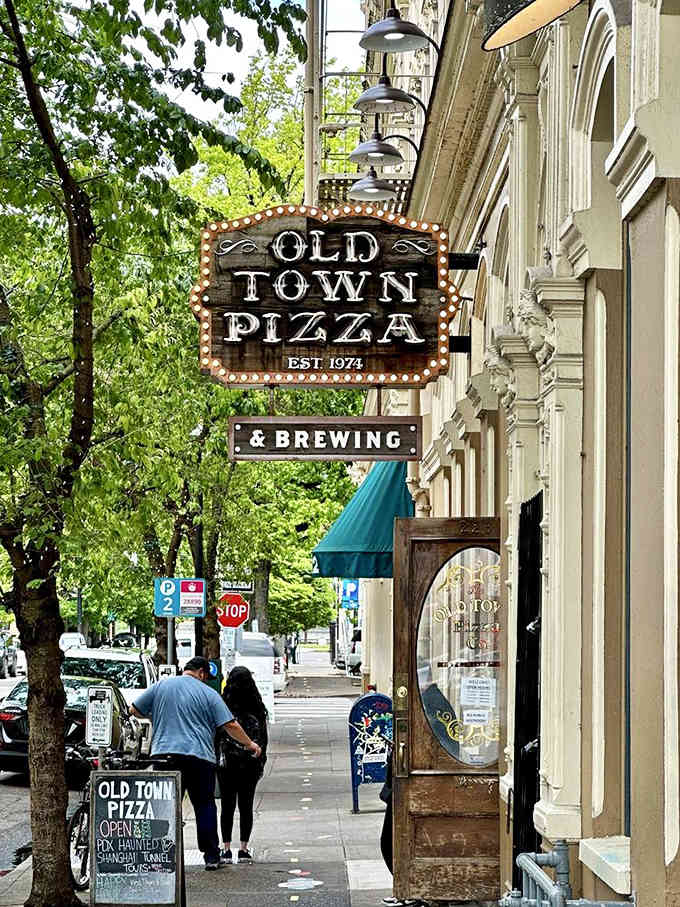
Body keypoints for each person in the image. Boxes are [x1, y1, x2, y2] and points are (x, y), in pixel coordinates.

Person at [131, 656, 261, 871]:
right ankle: (211, 856)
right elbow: (230, 724)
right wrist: (250, 744)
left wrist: (158, 716)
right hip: (199, 757)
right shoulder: (208, 693)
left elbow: (134, 709)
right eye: (205, 676)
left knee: (164, 805)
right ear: (201, 672)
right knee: (204, 805)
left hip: (164, 755)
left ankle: (160, 853)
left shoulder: (161, 686)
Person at [216, 665, 268, 864]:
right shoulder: (256, 706)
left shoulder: (224, 704)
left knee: (227, 806)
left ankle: (226, 848)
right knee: (246, 806)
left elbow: (218, 733)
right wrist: (260, 757)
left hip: (227, 762)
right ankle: (244, 849)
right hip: (250, 763)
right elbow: (263, 736)